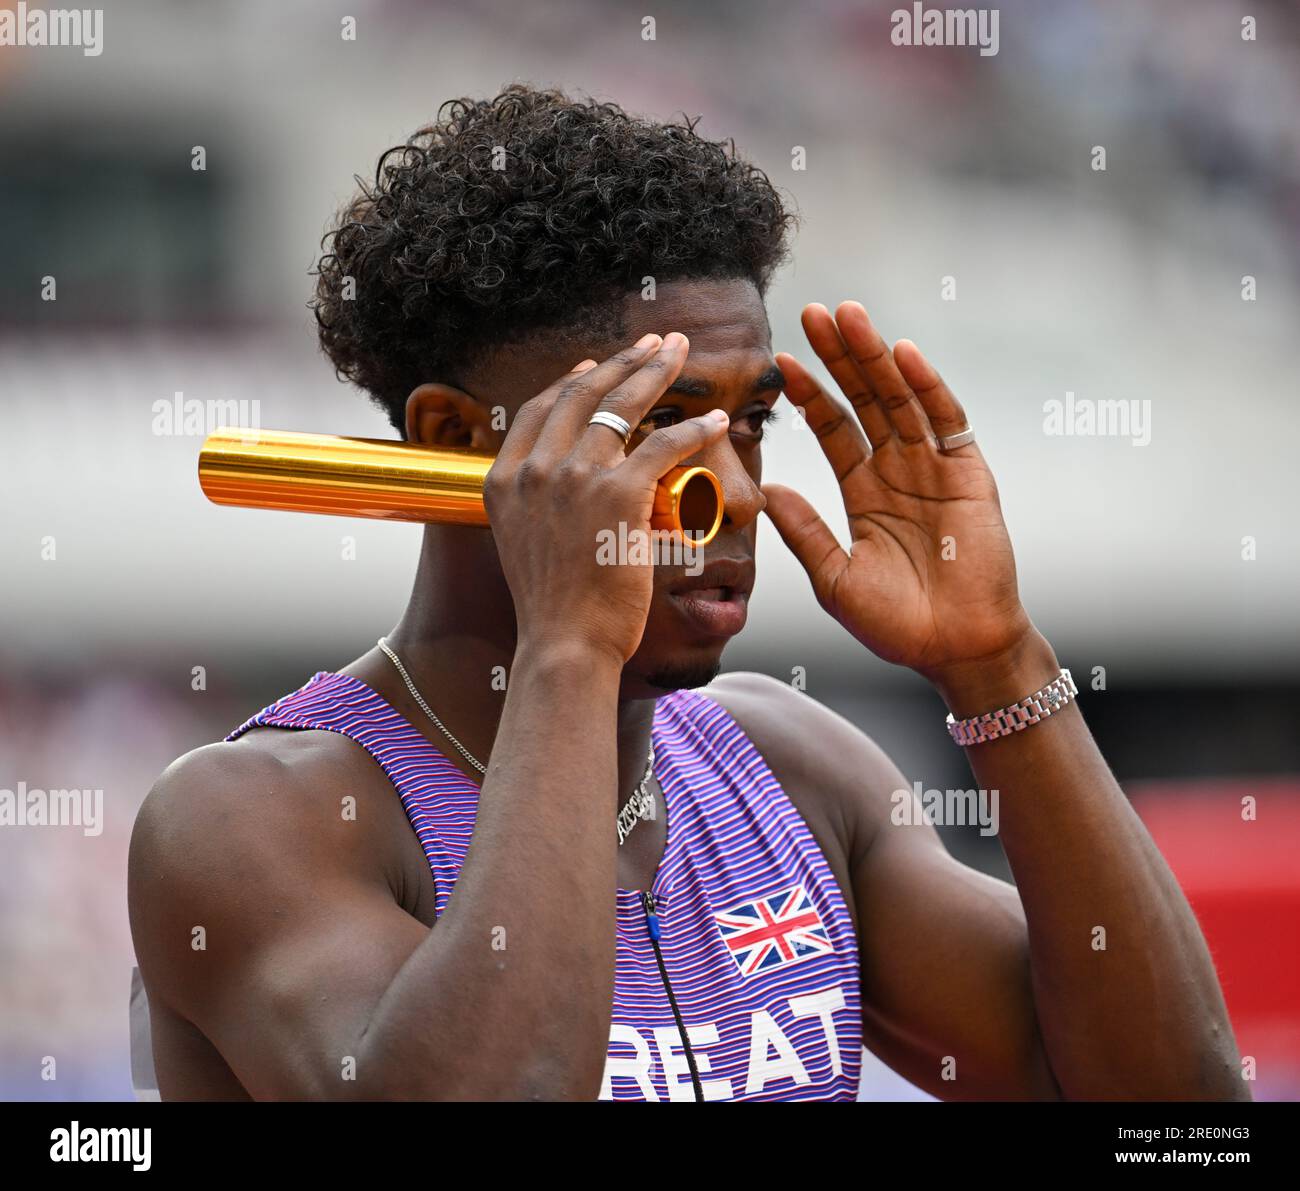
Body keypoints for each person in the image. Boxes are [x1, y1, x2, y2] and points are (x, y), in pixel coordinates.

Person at [127, 85, 1244, 1102]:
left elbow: (1173, 1110)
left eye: (748, 424)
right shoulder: (251, 818)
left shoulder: (794, 769)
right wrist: (568, 648)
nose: (740, 495)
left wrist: (997, 662)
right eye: (660, 425)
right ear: (459, 441)